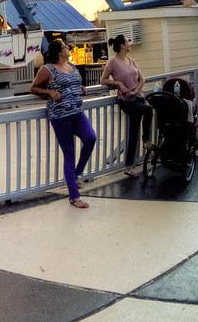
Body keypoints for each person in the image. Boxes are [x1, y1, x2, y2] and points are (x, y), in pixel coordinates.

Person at [30, 38, 96, 208]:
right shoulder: (48, 69)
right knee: (69, 154)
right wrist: (49, 92)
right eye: (66, 47)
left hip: (77, 112)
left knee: (90, 138)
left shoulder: (71, 66)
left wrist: (80, 88)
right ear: (59, 52)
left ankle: (76, 174)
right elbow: (34, 88)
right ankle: (74, 196)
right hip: (60, 116)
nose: (69, 48)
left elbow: (75, 82)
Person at [101, 34, 153, 177]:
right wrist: (118, 83)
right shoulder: (113, 62)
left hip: (138, 98)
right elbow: (103, 80)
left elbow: (142, 79)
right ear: (122, 46)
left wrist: (136, 90)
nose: (130, 44)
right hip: (126, 101)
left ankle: (128, 167)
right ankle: (146, 140)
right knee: (148, 110)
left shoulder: (132, 61)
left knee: (133, 132)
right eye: (127, 42)